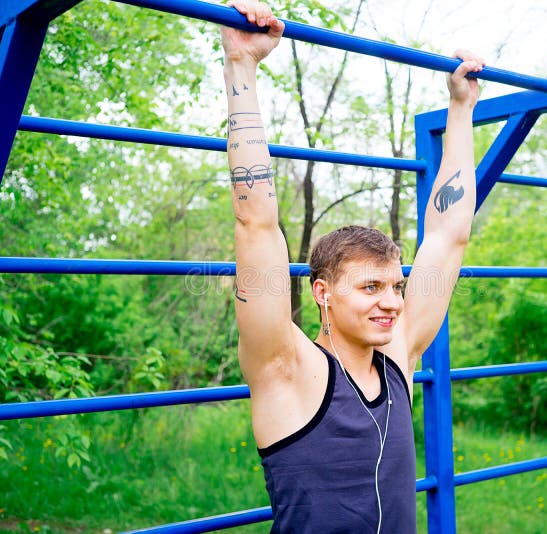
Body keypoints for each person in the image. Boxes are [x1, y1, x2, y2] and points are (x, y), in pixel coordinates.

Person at [220, 1, 483, 531]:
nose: (391, 302)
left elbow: (448, 236)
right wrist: (240, 64)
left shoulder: (397, 356)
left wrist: (461, 108)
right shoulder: (285, 370)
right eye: (369, 287)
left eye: (396, 286)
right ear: (323, 292)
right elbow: (256, 225)